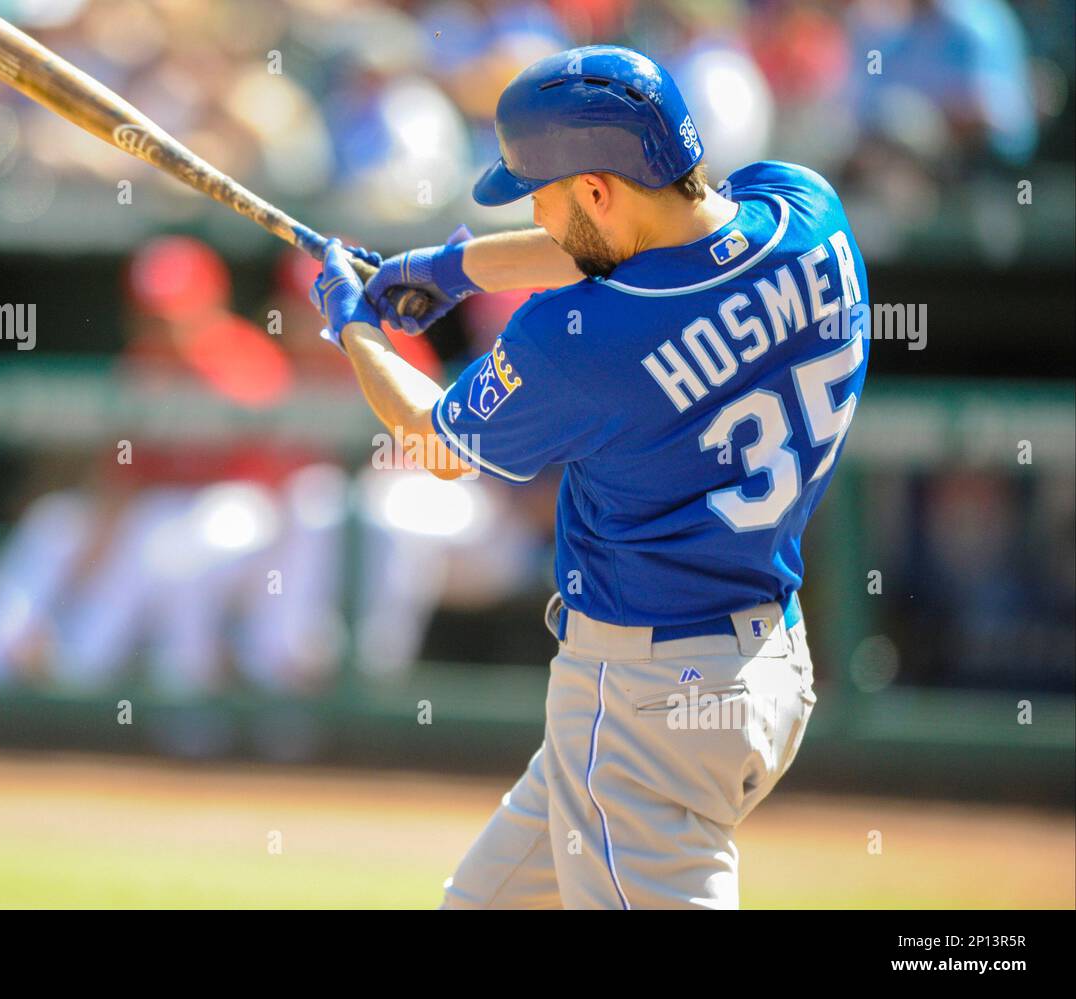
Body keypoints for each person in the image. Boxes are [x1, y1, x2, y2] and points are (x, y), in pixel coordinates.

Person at [307, 45, 870, 909]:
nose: (531, 207)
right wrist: (450, 268)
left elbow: (436, 440)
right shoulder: (807, 208)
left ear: (599, 188)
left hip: (649, 696)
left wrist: (356, 328)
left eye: (541, 191)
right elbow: (642, 250)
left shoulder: (577, 341)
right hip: (764, 658)